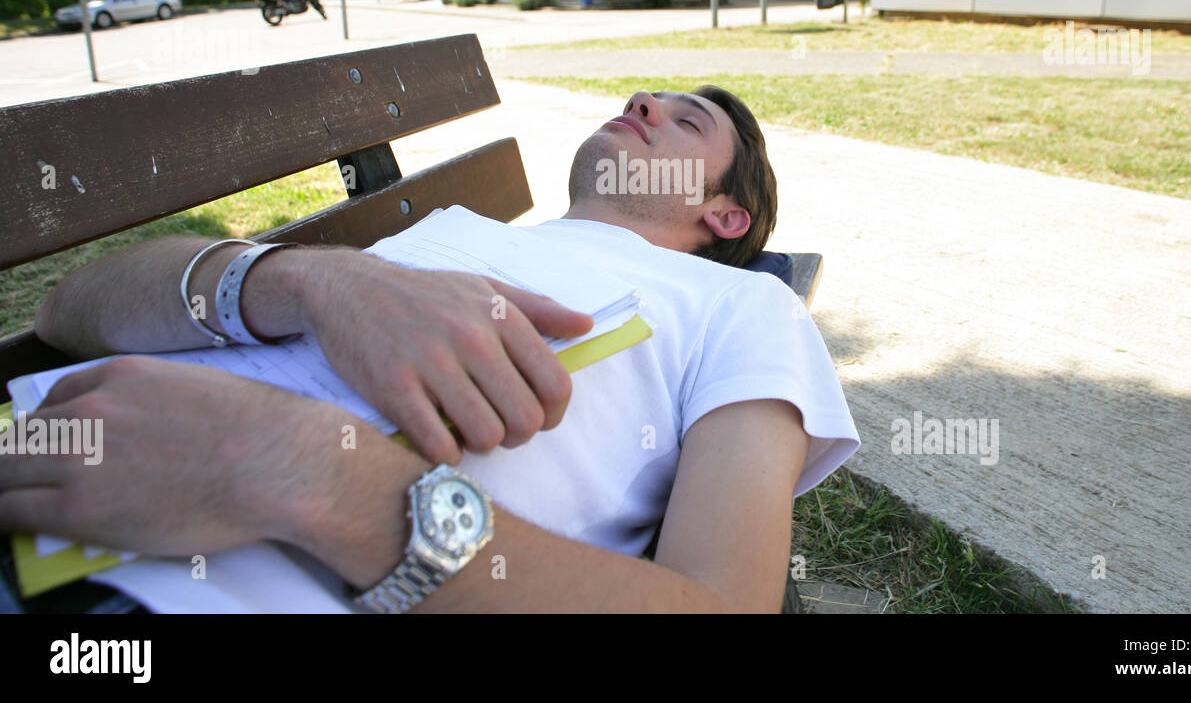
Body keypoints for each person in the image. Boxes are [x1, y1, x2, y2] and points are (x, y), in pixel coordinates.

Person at [2, 87, 860, 612]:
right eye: (648, 99)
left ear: (725, 216)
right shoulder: (455, 230)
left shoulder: (744, 305)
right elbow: (70, 308)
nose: (642, 105)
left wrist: (302, 469)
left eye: (686, 120)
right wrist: (313, 284)